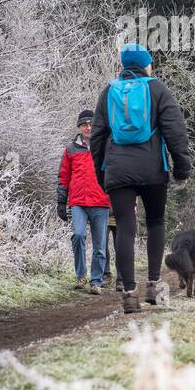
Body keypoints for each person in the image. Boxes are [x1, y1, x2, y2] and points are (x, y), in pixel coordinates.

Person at [90, 43, 192, 314]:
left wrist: (102, 172)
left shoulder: (108, 92)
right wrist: (182, 166)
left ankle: (129, 295)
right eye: (150, 62)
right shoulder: (158, 89)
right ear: (145, 64)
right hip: (152, 170)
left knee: (125, 227)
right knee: (156, 222)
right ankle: (154, 288)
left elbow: (97, 136)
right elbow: (175, 131)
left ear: (124, 66)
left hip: (118, 170)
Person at [57, 110, 112, 294]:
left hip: (101, 202)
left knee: (100, 245)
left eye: (91, 124)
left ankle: (96, 281)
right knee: (78, 235)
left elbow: (114, 173)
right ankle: (81, 275)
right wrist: (61, 201)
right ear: (79, 127)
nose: (88, 127)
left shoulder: (106, 146)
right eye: (84, 124)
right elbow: (64, 176)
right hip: (78, 202)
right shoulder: (71, 149)